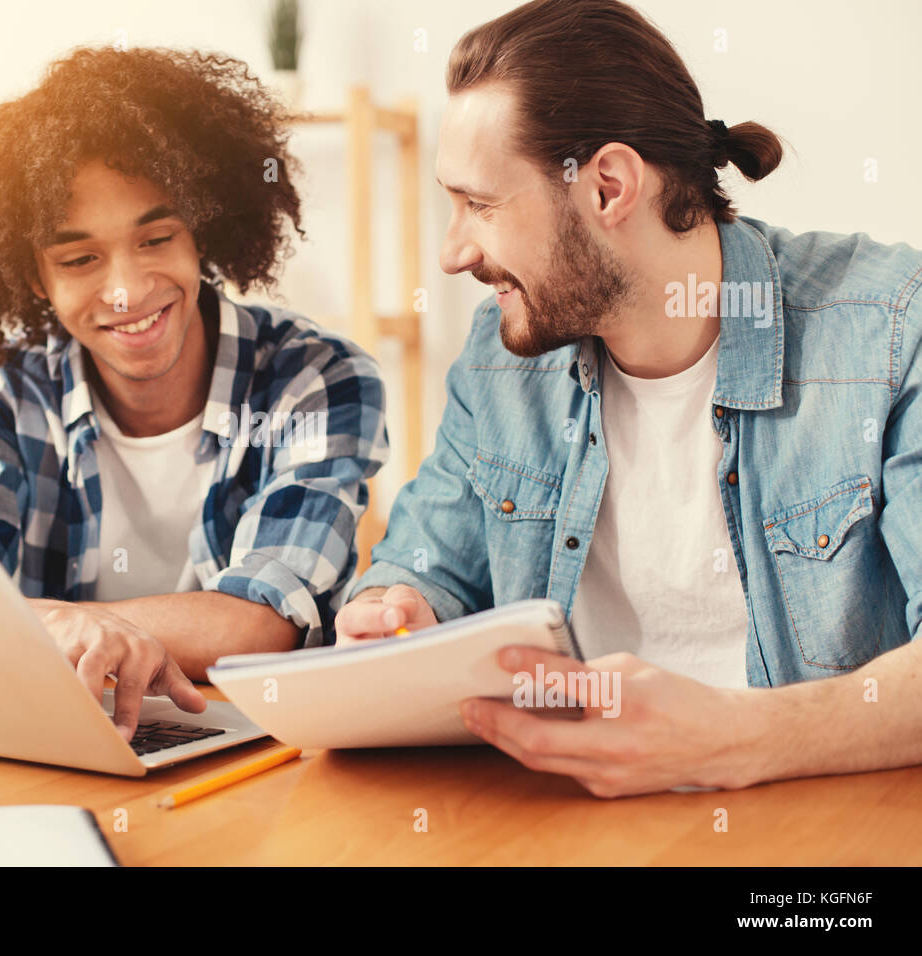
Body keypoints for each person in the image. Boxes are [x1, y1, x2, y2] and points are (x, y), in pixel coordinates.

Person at [336, 0, 922, 796]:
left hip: (811, 833)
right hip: (567, 823)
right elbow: (428, 564)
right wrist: (395, 605)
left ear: (608, 186)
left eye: (479, 204)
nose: (452, 251)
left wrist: (736, 740)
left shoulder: (890, 330)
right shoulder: (503, 356)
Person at [0, 46, 388, 739]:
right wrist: (70, 632)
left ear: (203, 232)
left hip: (261, 749)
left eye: (157, 237)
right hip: (64, 737)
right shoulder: (4, 383)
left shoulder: (316, 377)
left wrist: (63, 626)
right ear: (37, 277)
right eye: (79, 260)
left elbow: (260, 624)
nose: (127, 291)